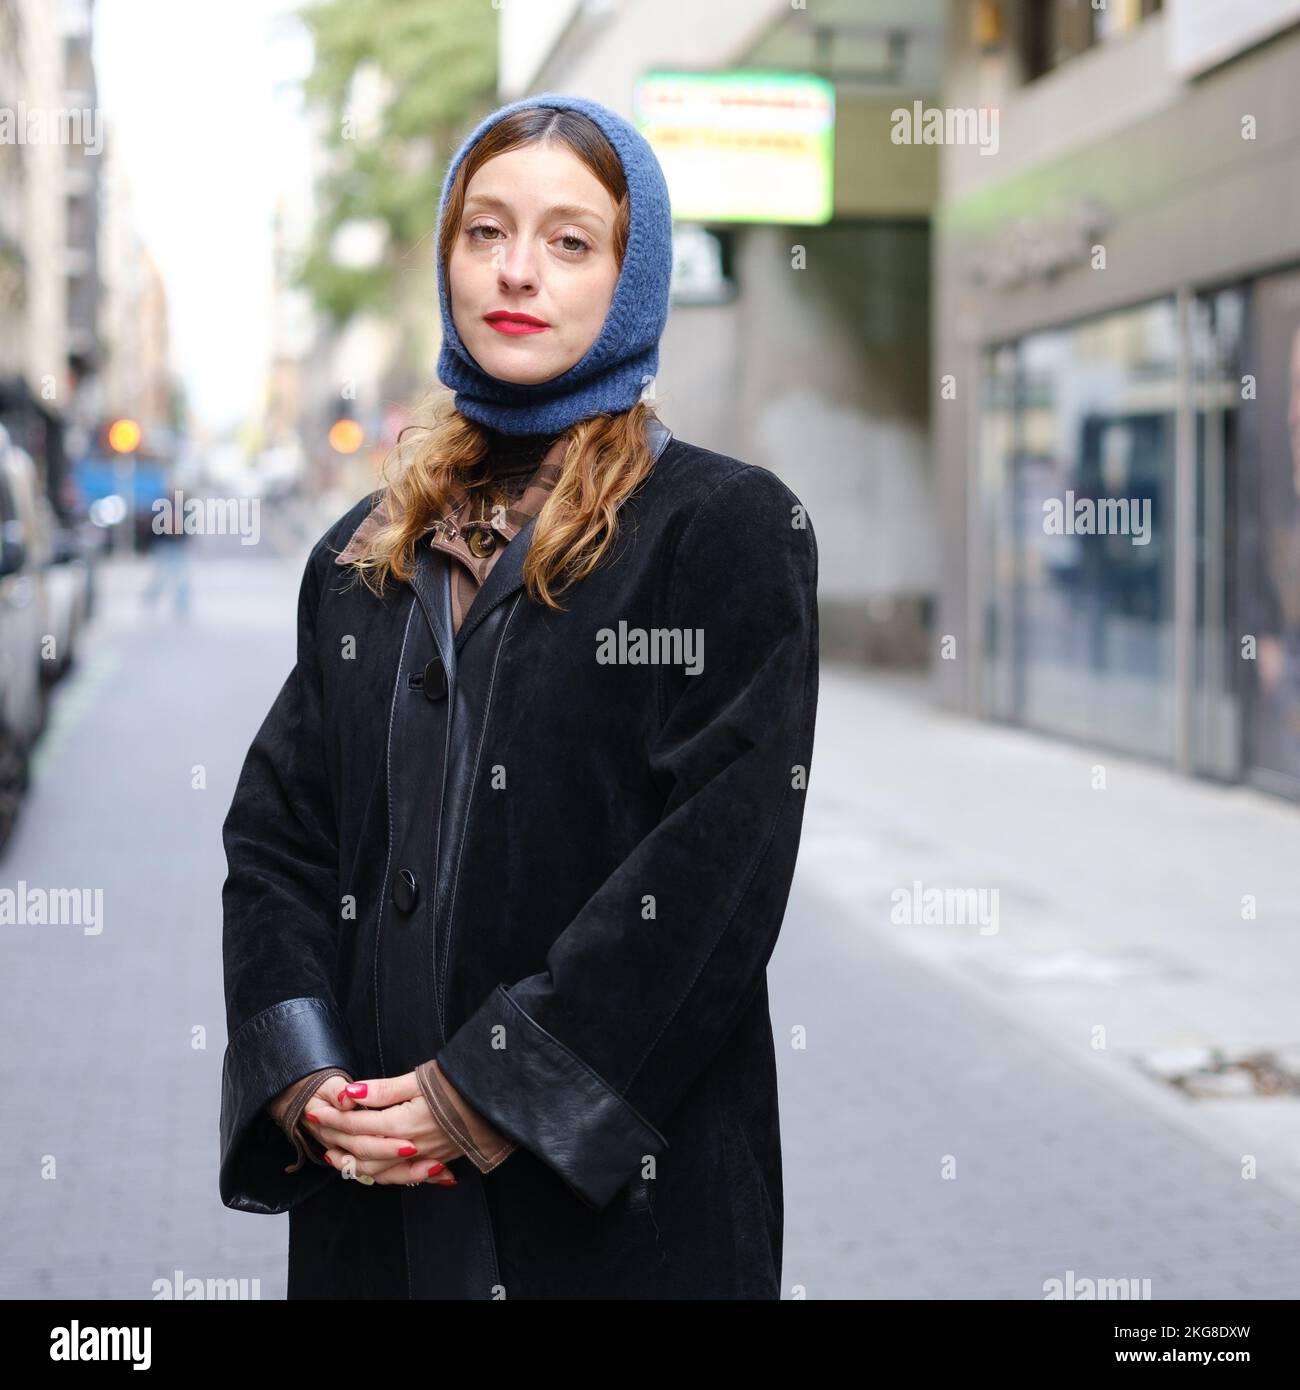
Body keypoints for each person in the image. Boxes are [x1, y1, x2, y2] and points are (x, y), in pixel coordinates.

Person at [218, 93, 819, 1300]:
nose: (517, 271)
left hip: (617, 1220)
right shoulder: (361, 553)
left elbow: (710, 875)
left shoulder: (721, 529)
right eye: (484, 231)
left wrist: (478, 1090)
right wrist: (307, 1078)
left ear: (630, 276)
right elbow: (277, 837)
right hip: (372, 1200)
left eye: (568, 240)